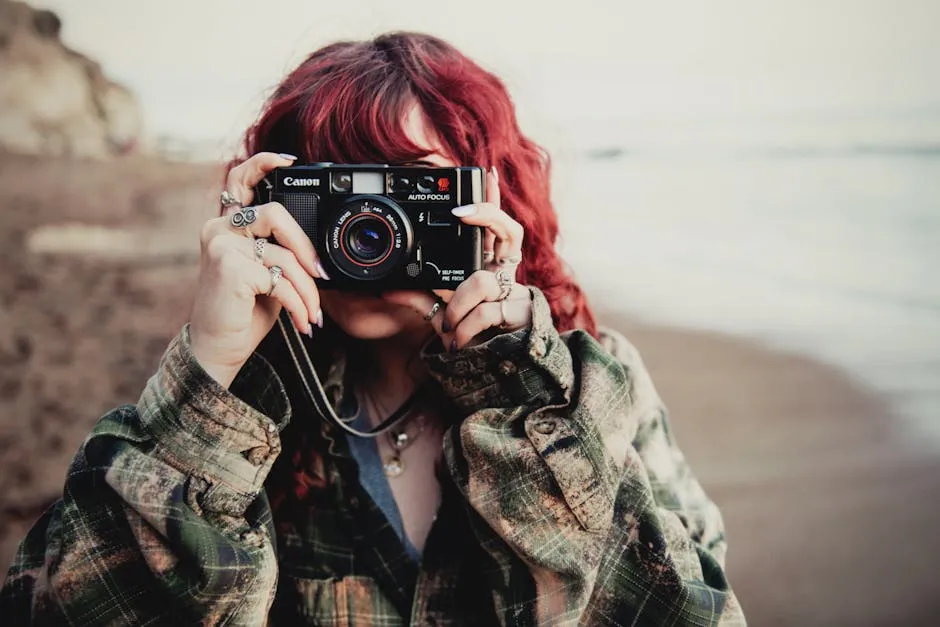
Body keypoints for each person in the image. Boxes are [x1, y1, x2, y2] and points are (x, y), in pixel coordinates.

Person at [0, 32, 745, 625]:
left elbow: (691, 607)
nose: (368, 230)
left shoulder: (590, 387)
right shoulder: (231, 405)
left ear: (495, 202)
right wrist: (214, 373)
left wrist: (519, 391)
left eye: (413, 190)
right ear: (268, 199)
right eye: (332, 188)